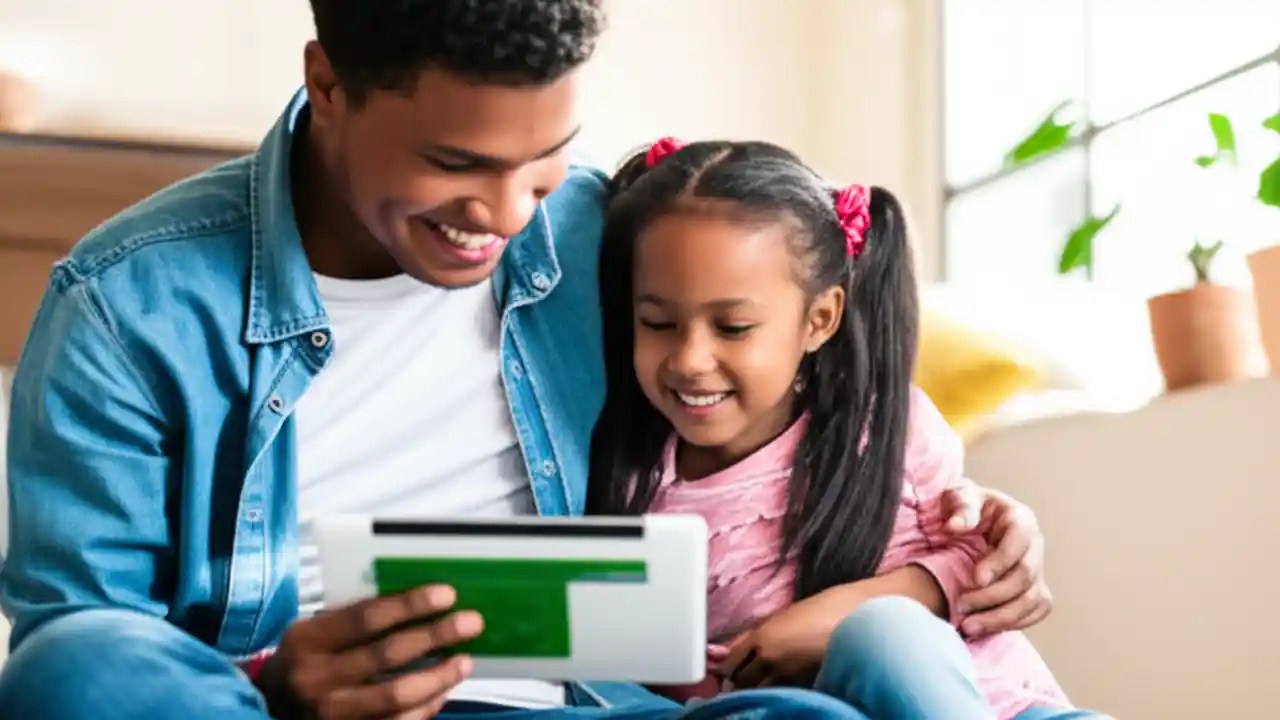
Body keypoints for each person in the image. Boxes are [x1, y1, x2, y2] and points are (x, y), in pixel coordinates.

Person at [0, 2, 1052, 719]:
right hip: (294, 705)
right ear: (328, 84)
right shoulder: (128, 302)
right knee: (71, 665)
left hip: (600, 701)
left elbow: (799, 358)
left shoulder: (611, 228)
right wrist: (277, 688)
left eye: (541, 162)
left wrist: (962, 542)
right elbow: (99, 640)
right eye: (454, 164)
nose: (504, 216)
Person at [587, 138, 1105, 720]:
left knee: (879, 634)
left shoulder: (881, 429)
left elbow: (977, 561)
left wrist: (830, 617)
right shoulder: (638, 484)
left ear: (820, 319)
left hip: (1006, 706)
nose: (689, 358)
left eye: (732, 327)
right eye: (657, 322)